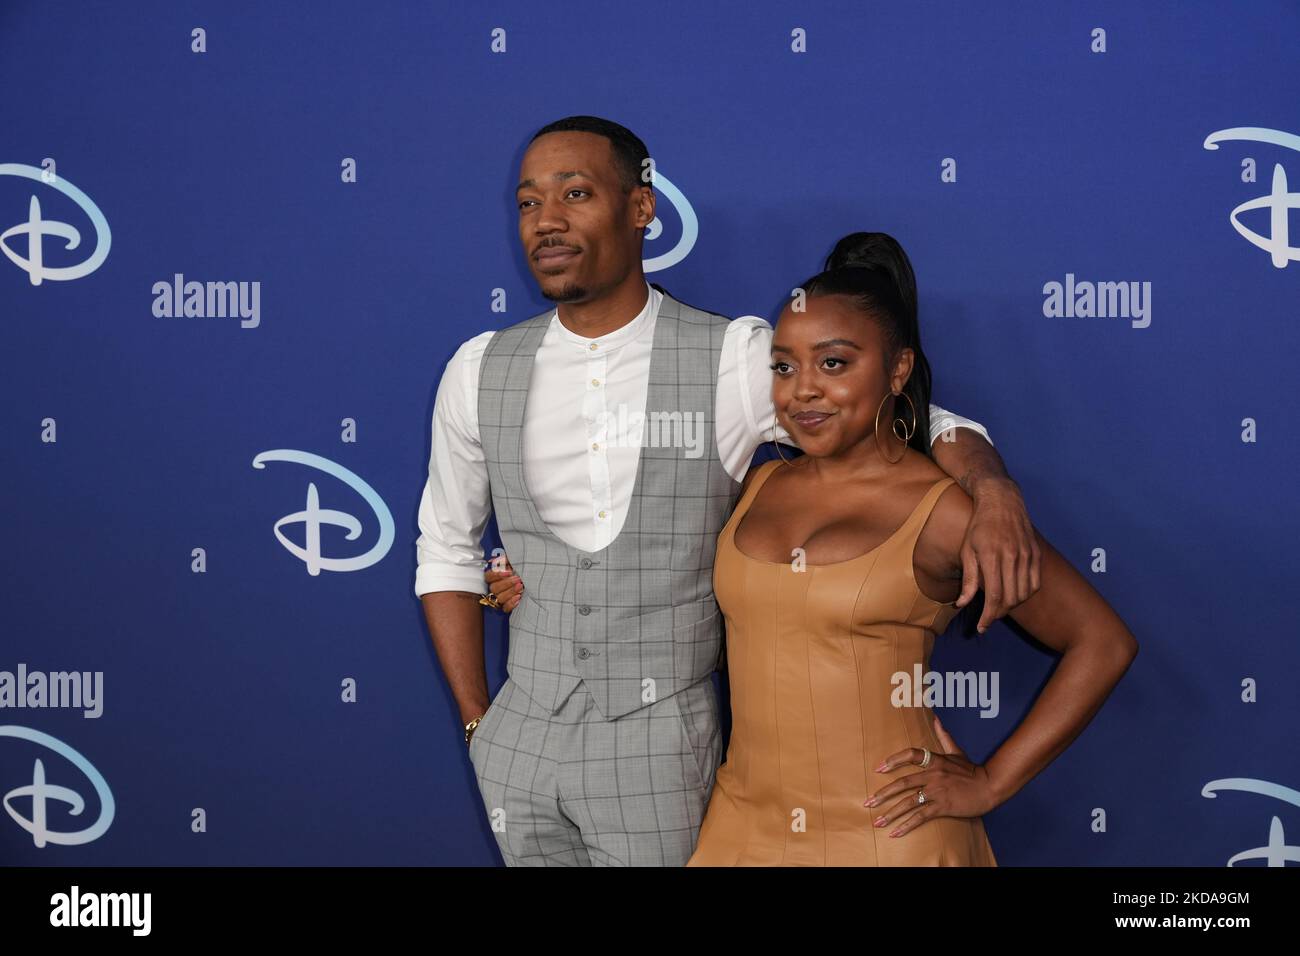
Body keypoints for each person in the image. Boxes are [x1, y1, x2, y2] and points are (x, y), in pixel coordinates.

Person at [420, 115, 1040, 866]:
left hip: (662, 749)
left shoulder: (733, 358)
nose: (546, 220)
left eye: (575, 193)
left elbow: (917, 419)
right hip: (519, 748)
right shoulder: (479, 366)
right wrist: (481, 727)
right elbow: (447, 549)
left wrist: (992, 487)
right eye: (527, 203)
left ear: (642, 208)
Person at [680, 232, 1139, 865]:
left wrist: (990, 780)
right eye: (784, 366)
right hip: (740, 829)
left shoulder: (945, 510)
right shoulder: (759, 482)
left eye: (834, 363)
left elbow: (1103, 642)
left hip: (889, 834)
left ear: (898, 369)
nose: (802, 390)